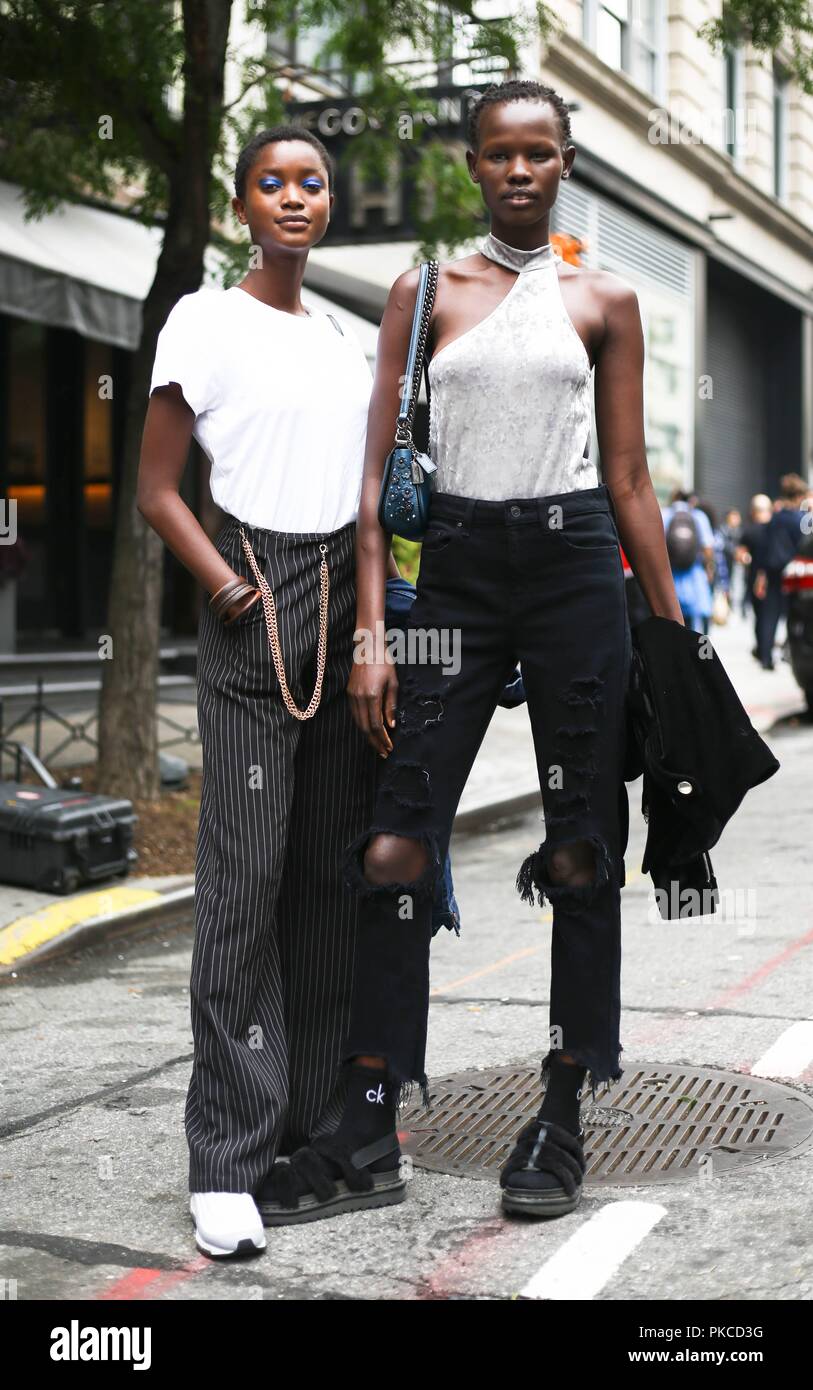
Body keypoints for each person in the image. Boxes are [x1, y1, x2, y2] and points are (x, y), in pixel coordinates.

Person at [257, 78, 685, 1226]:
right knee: (396, 845)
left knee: (583, 848)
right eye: (500, 155)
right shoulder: (423, 288)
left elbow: (633, 479)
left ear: (564, 166)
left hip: (572, 564)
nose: (519, 171)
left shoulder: (607, 300)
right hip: (450, 571)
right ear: (472, 166)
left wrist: (672, 635)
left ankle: (561, 1105)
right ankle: (367, 1121)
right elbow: (370, 488)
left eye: (540, 154)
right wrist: (368, 632)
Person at [138, 124, 400, 1258]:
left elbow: (374, 498)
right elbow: (157, 486)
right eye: (272, 183)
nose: (294, 199)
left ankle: (306, 1124)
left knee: (325, 879)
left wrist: (374, 630)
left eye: (312, 184)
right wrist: (221, 582)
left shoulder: (345, 340)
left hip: (345, 596)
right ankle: (224, 1161)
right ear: (243, 200)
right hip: (255, 595)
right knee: (243, 881)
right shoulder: (203, 316)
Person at [752, 473, 810, 669]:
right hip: (793, 573)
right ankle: (790, 652)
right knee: (795, 613)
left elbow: (763, 546)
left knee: (770, 614)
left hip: (772, 569)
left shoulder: (774, 519)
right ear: (799, 495)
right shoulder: (800, 520)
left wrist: (760, 574)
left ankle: (766, 657)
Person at [661, 489, 714, 634]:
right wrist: (709, 568)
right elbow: (708, 548)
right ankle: (697, 651)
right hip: (694, 572)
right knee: (694, 620)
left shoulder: (665, 514)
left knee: (673, 617)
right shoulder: (699, 516)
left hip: (671, 574)